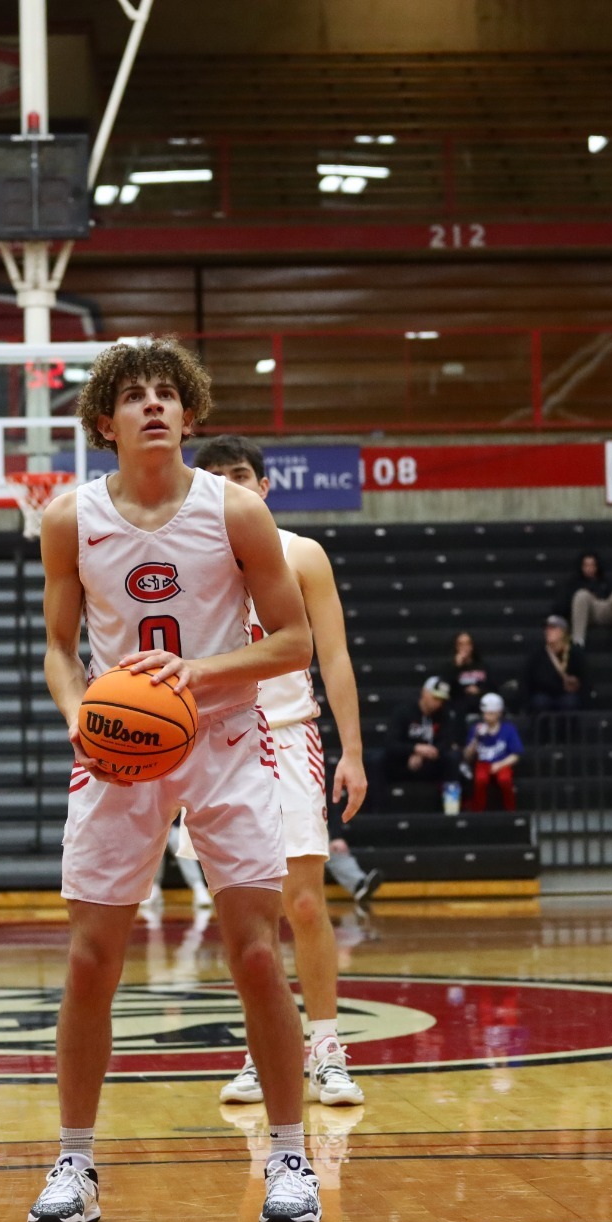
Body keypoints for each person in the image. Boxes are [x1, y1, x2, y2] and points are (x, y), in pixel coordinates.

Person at [29, 338, 320, 1222]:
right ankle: (74, 1158)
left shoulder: (235, 511)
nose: (152, 404)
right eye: (133, 395)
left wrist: (193, 675)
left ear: (188, 414)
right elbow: (57, 647)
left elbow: (293, 643)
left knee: (257, 952)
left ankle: (288, 1156)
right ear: (105, 421)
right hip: (122, 749)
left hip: (227, 736)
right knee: (90, 960)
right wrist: (80, 708)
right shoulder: (69, 519)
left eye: (167, 393)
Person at [183, 433, 372, 1111]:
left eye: (242, 477)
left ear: (264, 487)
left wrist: (351, 750)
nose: (232, 488)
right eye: (218, 478)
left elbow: (337, 658)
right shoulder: (186, 561)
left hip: (290, 736)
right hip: (217, 742)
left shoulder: (301, 553)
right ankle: (264, 1050)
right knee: (246, 912)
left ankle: (325, 1046)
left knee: (301, 901)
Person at [384, 678, 464, 799]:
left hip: (432, 761)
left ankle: (451, 806)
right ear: (424, 693)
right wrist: (415, 749)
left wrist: (423, 753)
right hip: (404, 760)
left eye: (442, 700)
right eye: (435, 698)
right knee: (378, 760)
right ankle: (378, 809)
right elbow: (391, 743)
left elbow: (447, 741)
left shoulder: (444, 714)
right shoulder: (403, 712)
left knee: (453, 757)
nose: (438, 703)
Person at [464, 693, 522, 812]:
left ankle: (511, 812)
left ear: (499, 713)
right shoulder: (476, 728)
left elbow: (516, 755)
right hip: (482, 763)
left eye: (490, 713)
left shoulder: (508, 729)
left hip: (502, 763)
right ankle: (477, 812)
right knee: (480, 780)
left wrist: (500, 765)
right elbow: (467, 756)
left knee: (505, 780)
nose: (487, 717)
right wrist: (476, 738)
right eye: (485, 713)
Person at [565, 552, 612, 650]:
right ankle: (578, 642)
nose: (589, 568)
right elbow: (562, 605)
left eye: (592, 565)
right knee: (581, 595)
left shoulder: (607, 580)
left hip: (608, 610)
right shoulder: (574, 583)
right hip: (588, 614)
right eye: (586, 565)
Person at [522, 615, 588, 714]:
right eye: (547, 628)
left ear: (563, 632)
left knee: (570, 702)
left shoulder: (575, 653)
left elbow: (585, 678)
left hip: (567, 695)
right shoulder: (537, 654)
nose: (547, 631)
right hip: (543, 694)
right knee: (540, 702)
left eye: (552, 628)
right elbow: (527, 678)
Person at [447, 632, 488, 708]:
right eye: (461, 644)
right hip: (458, 705)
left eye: (467, 644)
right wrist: (456, 667)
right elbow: (446, 687)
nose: (464, 647)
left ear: (472, 646)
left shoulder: (482, 666)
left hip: (480, 704)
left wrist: (479, 691)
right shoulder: (449, 667)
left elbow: (492, 687)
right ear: (456, 647)